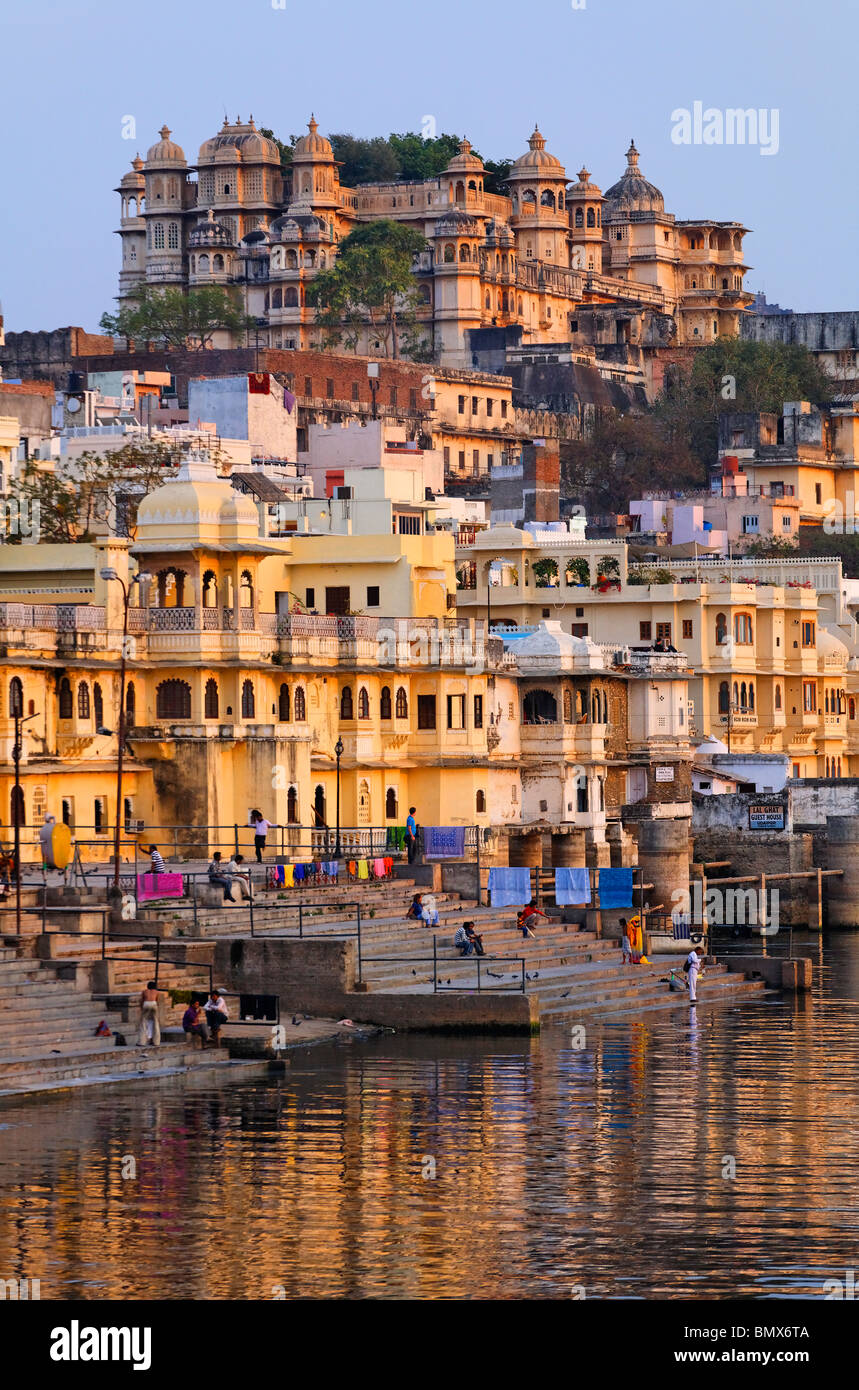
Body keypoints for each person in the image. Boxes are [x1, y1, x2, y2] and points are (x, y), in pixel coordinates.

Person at [138, 981, 161, 1047]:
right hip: (154, 1004)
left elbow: (141, 1001)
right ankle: (156, 1042)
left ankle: (142, 1042)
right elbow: (157, 1001)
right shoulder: (156, 992)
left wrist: (141, 1008)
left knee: (143, 1022)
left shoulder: (144, 991)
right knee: (156, 1022)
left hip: (146, 1004)